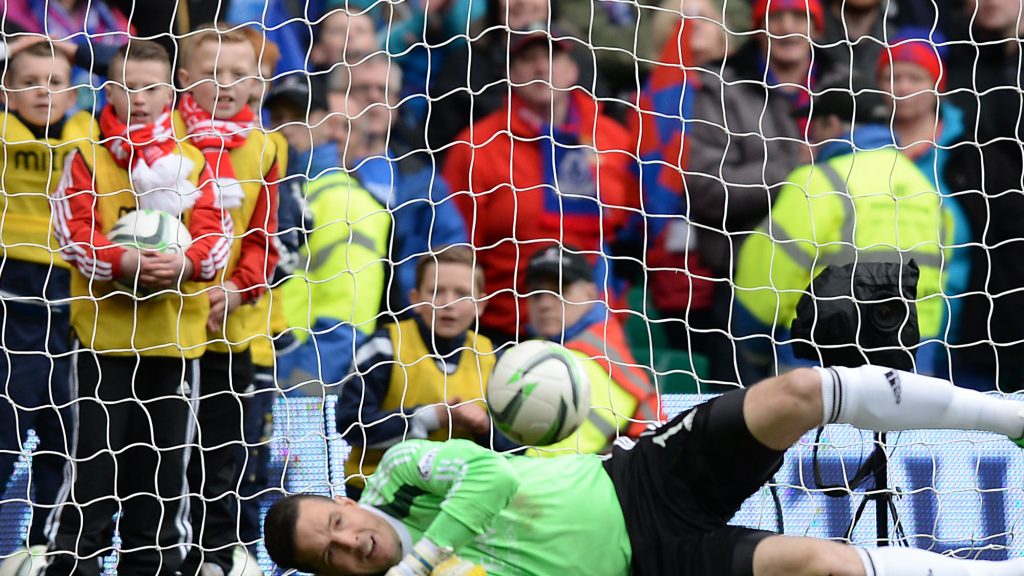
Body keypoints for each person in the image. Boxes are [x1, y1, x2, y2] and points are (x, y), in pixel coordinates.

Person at [264, 363, 1024, 576]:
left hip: (637, 478)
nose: (348, 542)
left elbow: (491, 479)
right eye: (327, 556)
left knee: (795, 394)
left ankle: (1009, 417)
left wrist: (424, 558)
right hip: (658, 564)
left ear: (345, 500)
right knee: (826, 566)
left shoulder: (398, 473)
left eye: (336, 523)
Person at [44, 40, 231, 575]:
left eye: (151, 87)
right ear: (108, 90)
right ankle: (71, 561)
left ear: (171, 92)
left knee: (164, 469)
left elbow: (217, 236)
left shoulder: (195, 161)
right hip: (103, 340)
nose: (140, 98)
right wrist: (121, 261)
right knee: (94, 468)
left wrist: (186, 265)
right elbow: (70, 232)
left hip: (173, 342)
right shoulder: (87, 154)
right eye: (127, 86)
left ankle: (156, 562)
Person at [733, 87, 953, 379]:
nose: (810, 140)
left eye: (814, 128)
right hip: (911, 371)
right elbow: (938, 289)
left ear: (833, 124)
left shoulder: (816, 182)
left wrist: (753, 355)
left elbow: (763, 286)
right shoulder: (927, 190)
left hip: (818, 372)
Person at [442, 23, 636, 345]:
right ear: (511, 74)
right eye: (528, 58)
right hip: (504, 330)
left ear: (573, 70)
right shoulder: (475, 148)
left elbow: (635, 230)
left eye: (553, 56)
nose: (542, 67)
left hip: (599, 330)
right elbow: (459, 250)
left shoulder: (615, 140)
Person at [174, 23, 282, 575]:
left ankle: (216, 555)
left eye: (240, 73)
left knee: (223, 452)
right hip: (164, 327)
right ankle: (161, 553)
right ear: (186, 78)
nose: (227, 84)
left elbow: (267, 241)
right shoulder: (162, 135)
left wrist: (237, 288)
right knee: (164, 452)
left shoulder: (267, 147)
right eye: (214, 73)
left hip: (230, 327)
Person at [682, 0, 824, 382]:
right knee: (741, 423)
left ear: (817, 27)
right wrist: (792, 171)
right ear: (759, 26)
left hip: (830, 285)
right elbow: (707, 188)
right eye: (775, 17)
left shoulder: (844, 86)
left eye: (799, 16)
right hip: (744, 283)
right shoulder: (720, 89)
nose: (787, 26)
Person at [0, 40, 94, 555]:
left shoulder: (88, 133)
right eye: (29, 81)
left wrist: (75, 50)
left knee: (64, 428)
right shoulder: (3, 131)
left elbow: (135, 79)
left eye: (56, 82)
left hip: (71, 297)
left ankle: (45, 548)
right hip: (9, 295)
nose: (43, 91)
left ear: (74, 92)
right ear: (7, 90)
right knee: (5, 427)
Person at [337, 247, 516, 496]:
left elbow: (517, 449)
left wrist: (485, 426)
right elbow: (350, 426)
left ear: (481, 304)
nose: (448, 303)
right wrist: (428, 418)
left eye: (462, 294)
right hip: (378, 495)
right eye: (436, 292)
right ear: (415, 298)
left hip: (459, 499)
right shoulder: (383, 347)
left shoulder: (496, 359)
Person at [265, 75, 390, 393]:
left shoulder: (347, 199)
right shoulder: (271, 188)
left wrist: (302, 386)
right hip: (261, 363)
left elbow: (348, 312)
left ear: (325, 124)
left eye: (299, 116)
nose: (285, 126)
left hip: (300, 374)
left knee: (293, 446)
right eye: (277, 118)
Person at [332, 54, 468, 313]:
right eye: (362, 89)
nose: (373, 98)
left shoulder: (424, 181)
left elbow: (452, 249)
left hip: (406, 316)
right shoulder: (317, 170)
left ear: (395, 103)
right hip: (337, 311)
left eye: (384, 91)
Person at [875, 30, 972, 378]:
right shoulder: (862, 148)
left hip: (957, 316)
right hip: (880, 319)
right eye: (892, 77)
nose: (901, 87)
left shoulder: (966, 148)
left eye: (914, 77)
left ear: (937, 84)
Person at [524, 246, 661, 455]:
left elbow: (551, 457)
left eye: (559, 290)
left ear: (590, 293)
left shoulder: (596, 355)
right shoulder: (541, 346)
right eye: (536, 294)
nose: (544, 304)